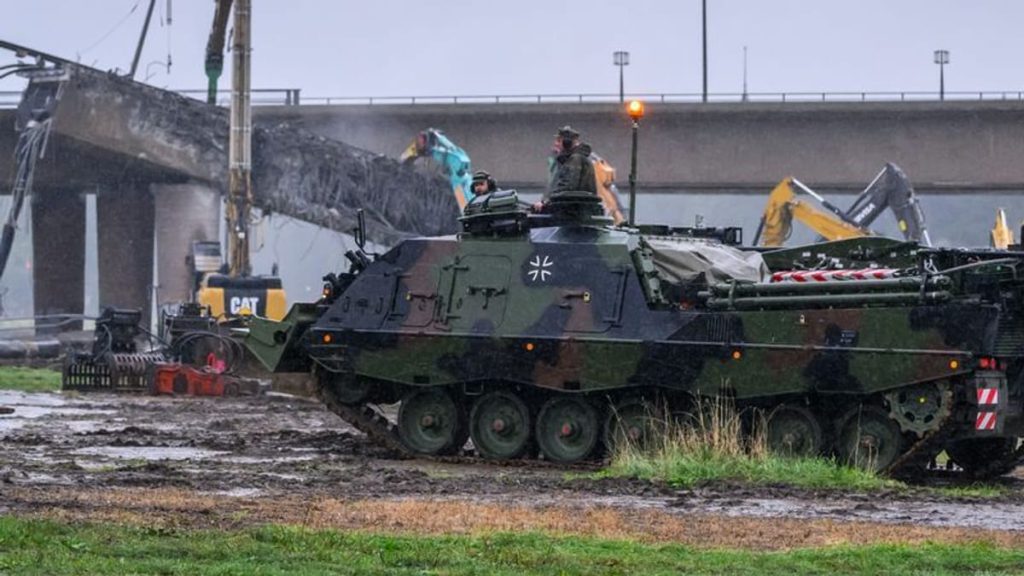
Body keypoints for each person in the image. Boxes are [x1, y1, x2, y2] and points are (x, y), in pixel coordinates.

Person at [533, 126, 597, 212]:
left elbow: (567, 187)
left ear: (567, 143)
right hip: (575, 210)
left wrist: (546, 203)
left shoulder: (575, 160)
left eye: (559, 141)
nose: (556, 144)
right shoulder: (574, 159)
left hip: (573, 212)